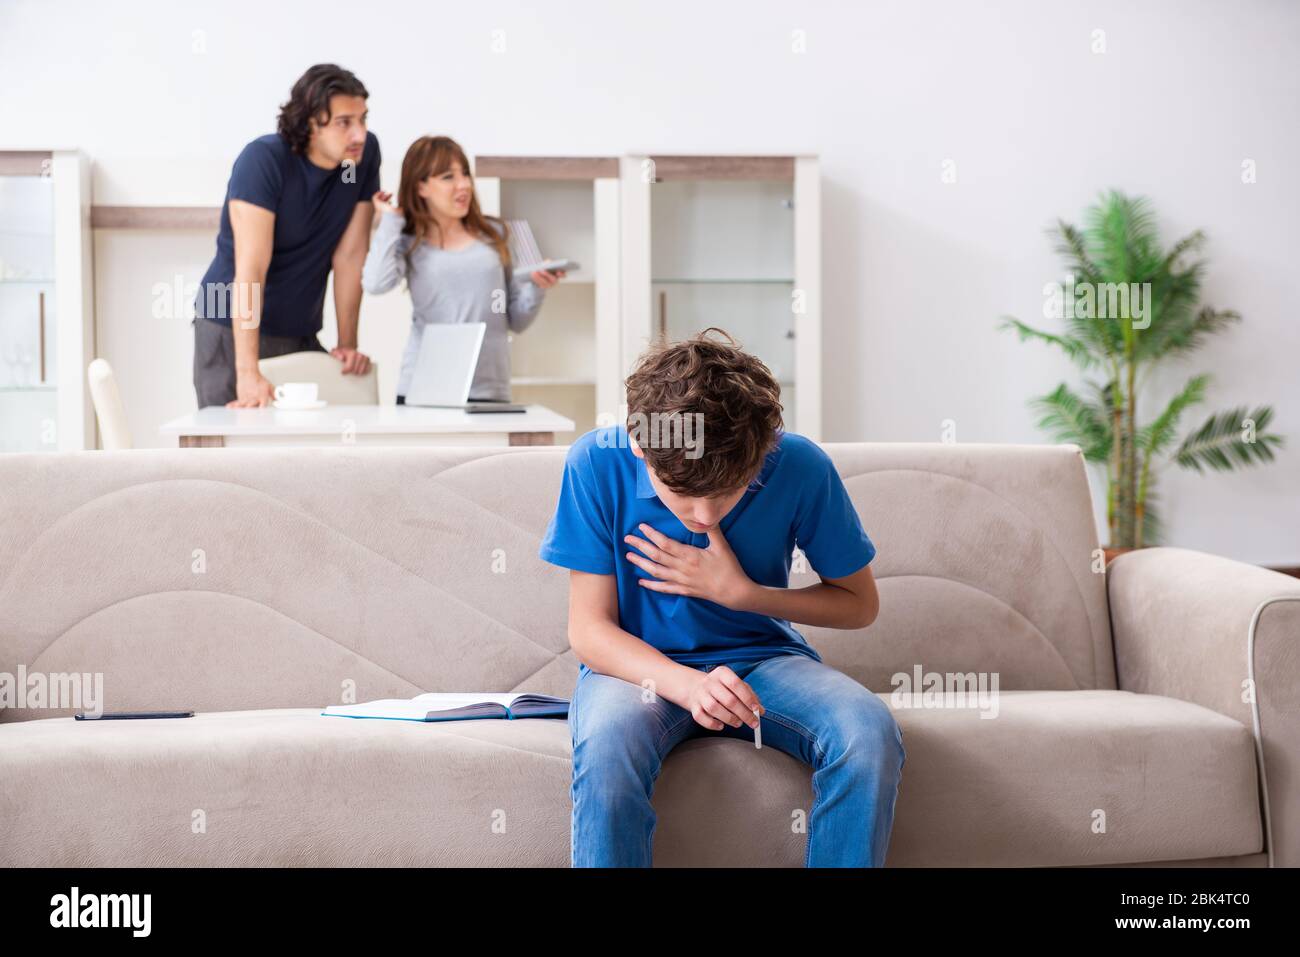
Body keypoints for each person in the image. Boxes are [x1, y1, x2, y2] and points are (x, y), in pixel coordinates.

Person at [538, 327, 905, 867]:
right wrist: (687, 685)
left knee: (867, 732)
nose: (707, 517)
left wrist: (744, 594)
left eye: (732, 490)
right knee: (609, 748)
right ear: (640, 445)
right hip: (638, 671)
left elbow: (858, 604)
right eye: (684, 495)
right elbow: (589, 631)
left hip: (765, 660)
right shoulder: (595, 463)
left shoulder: (799, 464)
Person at [192, 63, 381, 408]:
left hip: (298, 326)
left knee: (299, 446)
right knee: (229, 446)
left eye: (363, 119)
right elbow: (251, 268)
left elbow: (350, 257)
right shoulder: (264, 160)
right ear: (311, 122)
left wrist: (347, 345)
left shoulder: (358, 163)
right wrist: (247, 371)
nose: (359, 135)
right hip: (228, 322)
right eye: (344, 123)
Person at [360, 135, 562, 404]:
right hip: (424, 388)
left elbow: (516, 321)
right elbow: (375, 283)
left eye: (465, 174)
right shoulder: (408, 242)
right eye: (447, 177)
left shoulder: (497, 234)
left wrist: (537, 287)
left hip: (489, 389)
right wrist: (391, 219)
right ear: (421, 187)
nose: (463, 184)